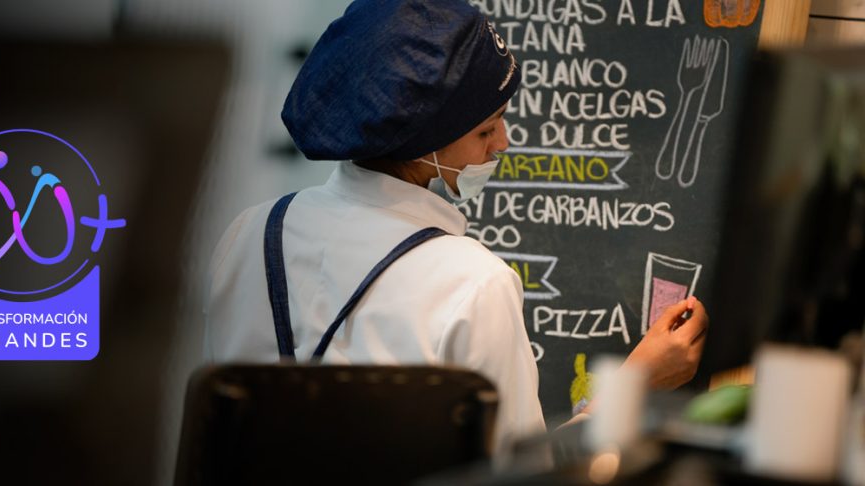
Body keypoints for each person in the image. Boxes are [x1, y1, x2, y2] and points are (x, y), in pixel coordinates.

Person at [202, 0, 708, 464]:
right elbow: (519, 474)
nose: (502, 145)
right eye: (487, 129)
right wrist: (636, 385)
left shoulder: (249, 233)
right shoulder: (472, 283)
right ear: (426, 142)